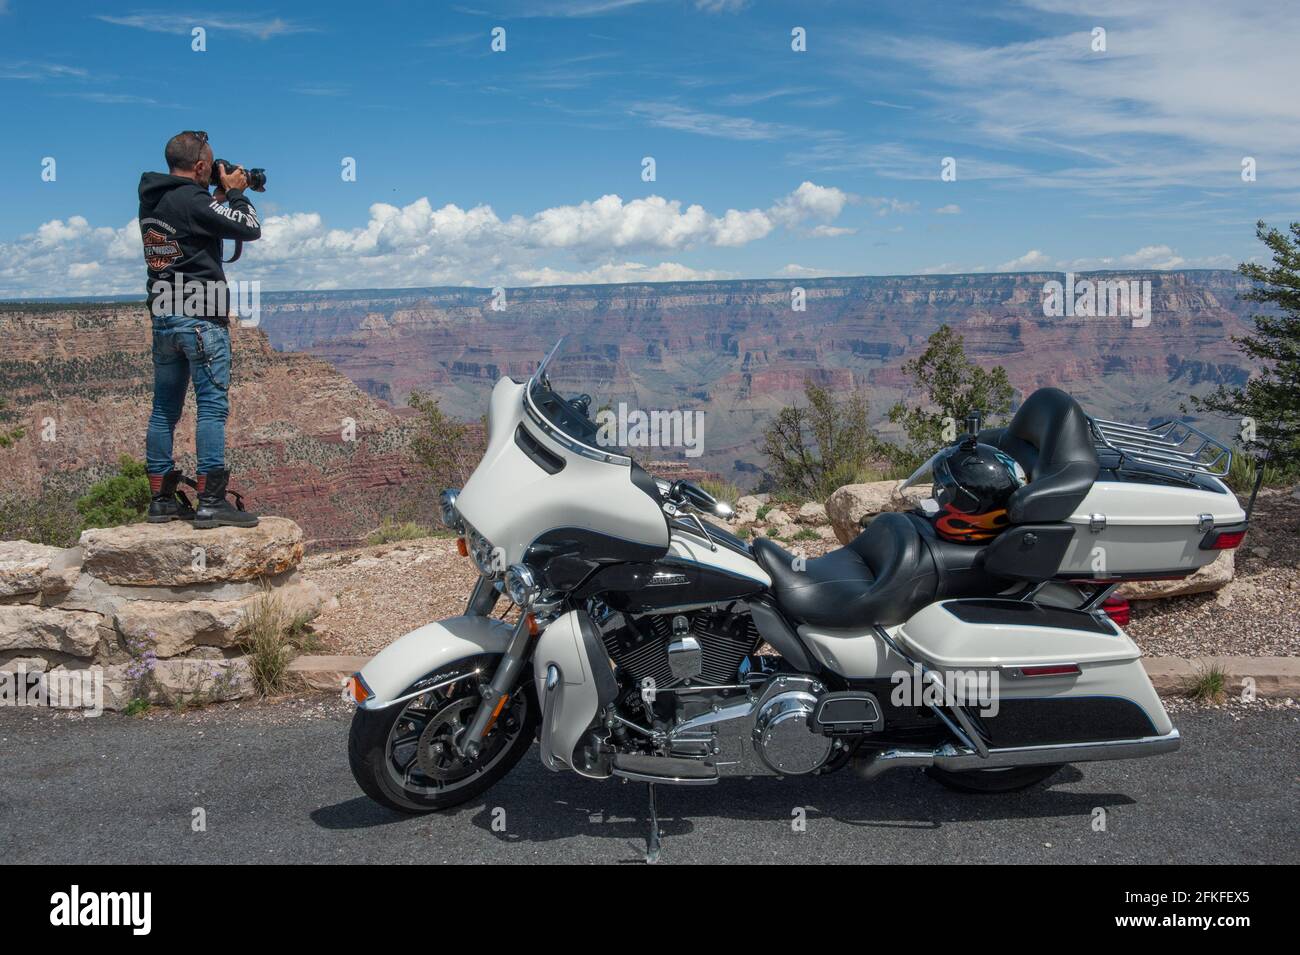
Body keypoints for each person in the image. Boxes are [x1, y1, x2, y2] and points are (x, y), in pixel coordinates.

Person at [138, 130, 261, 528]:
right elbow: (248, 227)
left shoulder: (153, 201)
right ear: (201, 166)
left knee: (164, 411)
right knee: (210, 407)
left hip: (164, 317)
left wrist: (216, 200)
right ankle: (211, 500)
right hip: (200, 320)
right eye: (210, 165)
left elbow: (192, 230)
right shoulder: (191, 199)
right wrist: (238, 194)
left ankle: (161, 500)